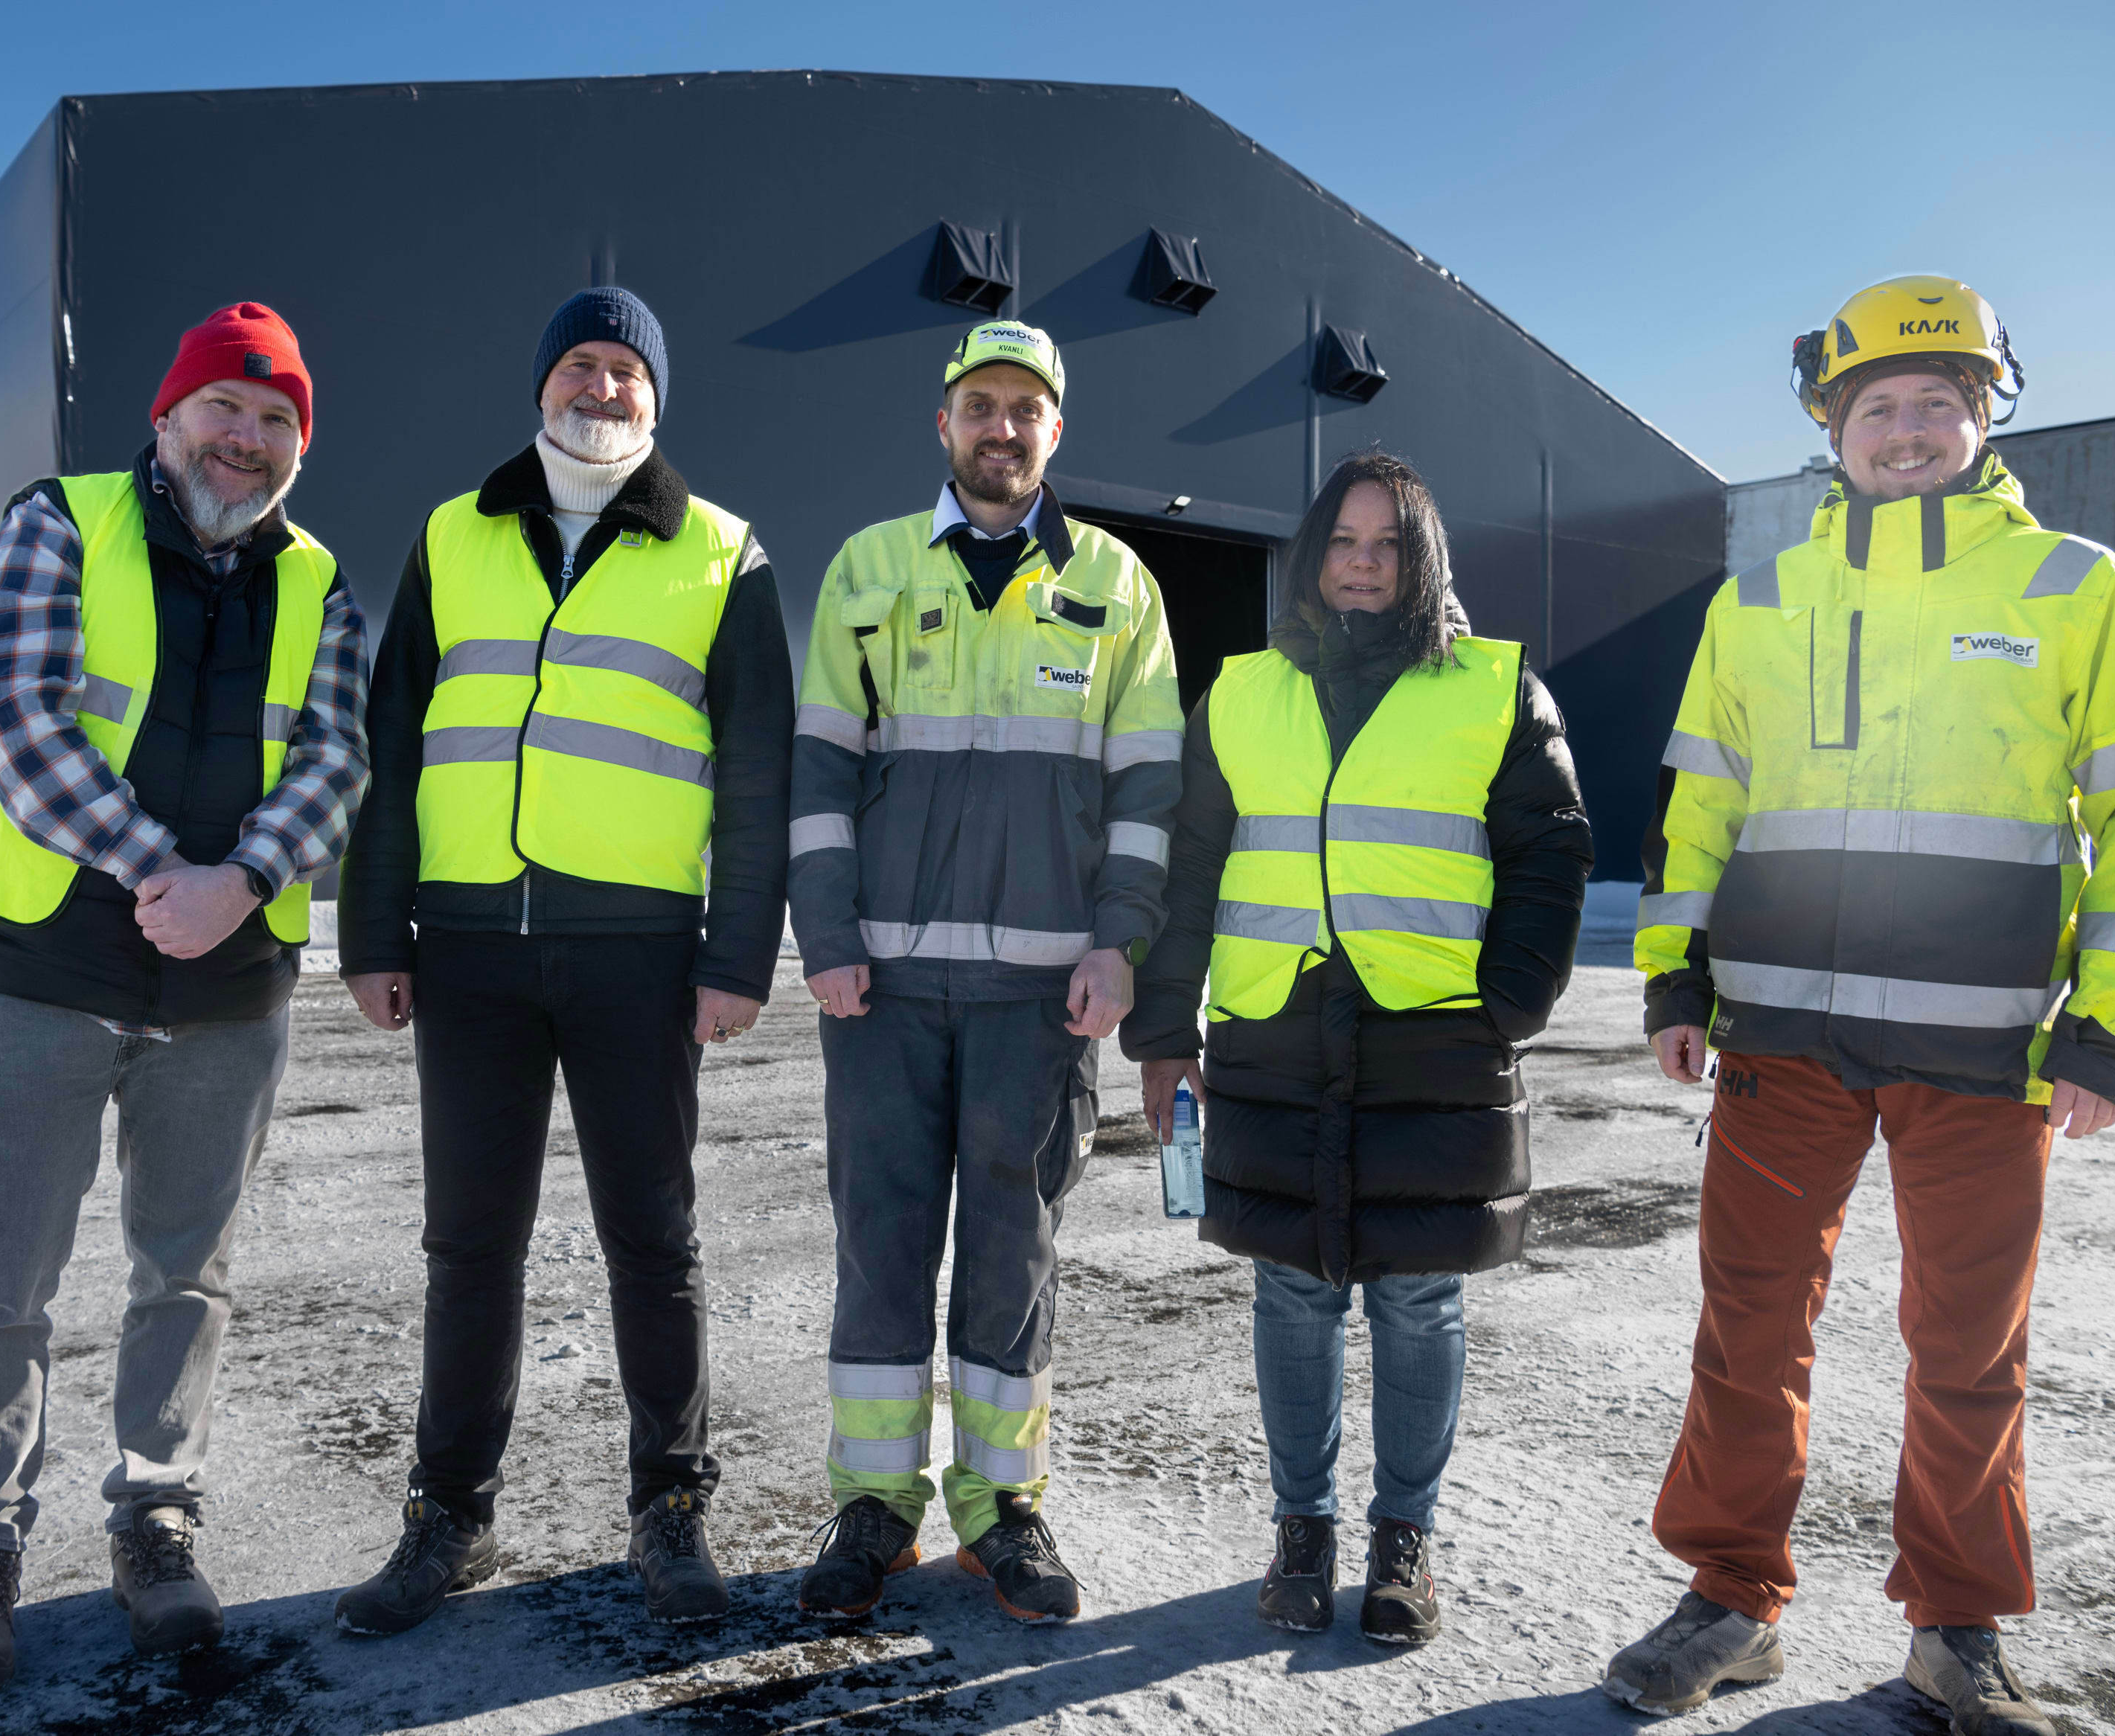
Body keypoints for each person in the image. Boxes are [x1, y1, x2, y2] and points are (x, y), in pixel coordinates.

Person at [1606, 276, 2115, 1735]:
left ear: (1988, 413)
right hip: (1778, 1040)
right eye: (1879, 404)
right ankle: (1731, 1602)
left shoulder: (2075, 585)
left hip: (1985, 1047)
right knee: (1746, 1327)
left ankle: (1955, 1631)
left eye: (1941, 400)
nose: (1909, 427)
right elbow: (1697, 801)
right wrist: (1674, 975)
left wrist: (2110, 1028)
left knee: (1966, 1347)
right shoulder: (1758, 599)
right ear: (1833, 425)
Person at [0, 301, 368, 1697]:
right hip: (31, 966)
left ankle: (156, 1512)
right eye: (224, 408)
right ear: (168, 418)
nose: (247, 438)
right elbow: (6, 707)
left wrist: (243, 881)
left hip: (227, 983)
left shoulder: (322, 581)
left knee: (190, 1267)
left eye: (276, 417)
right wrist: (159, 864)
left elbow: (338, 751)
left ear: (299, 444)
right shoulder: (62, 519)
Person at [333, 287, 793, 1632]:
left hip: (639, 954)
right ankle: (449, 1516)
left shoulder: (724, 553)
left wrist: (737, 954)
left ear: (658, 399)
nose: (603, 390)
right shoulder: (450, 536)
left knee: (651, 1240)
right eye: (581, 367)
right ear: (541, 387)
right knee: (469, 1243)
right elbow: (395, 745)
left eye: (627, 372)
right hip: (470, 947)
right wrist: (371, 928)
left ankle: (671, 1507)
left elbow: (755, 775)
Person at [1123, 450, 1590, 1642]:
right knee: (1292, 1286)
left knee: (1421, 1295)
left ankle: (1404, 1537)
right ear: (1312, 553)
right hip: (1276, 1025)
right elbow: (1189, 871)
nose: (1364, 562)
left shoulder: (1496, 687)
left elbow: (1553, 852)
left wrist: (1512, 1004)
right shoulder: (1238, 693)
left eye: (1388, 543)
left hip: (1433, 1032)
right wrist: (1166, 1029)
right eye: (1344, 541)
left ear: (1421, 557)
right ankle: (1303, 1527)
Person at [785, 320, 1183, 1624]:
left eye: (1025, 408)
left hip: (1039, 997)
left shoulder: (1118, 586)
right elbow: (821, 776)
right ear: (942, 424)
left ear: (1054, 430)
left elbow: (1147, 789)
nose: (1001, 428)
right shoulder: (872, 568)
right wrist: (829, 936)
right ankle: (876, 1506)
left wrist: (1119, 942)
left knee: (1015, 1250)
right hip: (884, 989)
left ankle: (1001, 1509)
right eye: (979, 406)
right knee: (880, 1245)